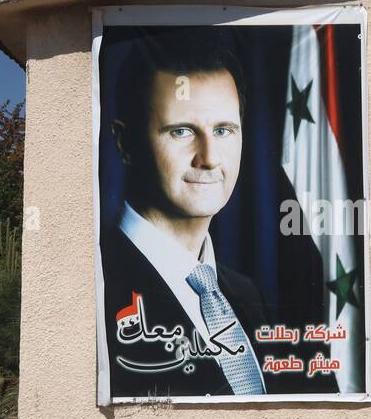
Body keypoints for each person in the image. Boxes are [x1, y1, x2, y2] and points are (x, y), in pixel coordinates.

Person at [101, 31, 272, 398]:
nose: (209, 157)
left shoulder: (243, 292)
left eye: (224, 130)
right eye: (181, 131)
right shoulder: (95, 283)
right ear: (125, 143)